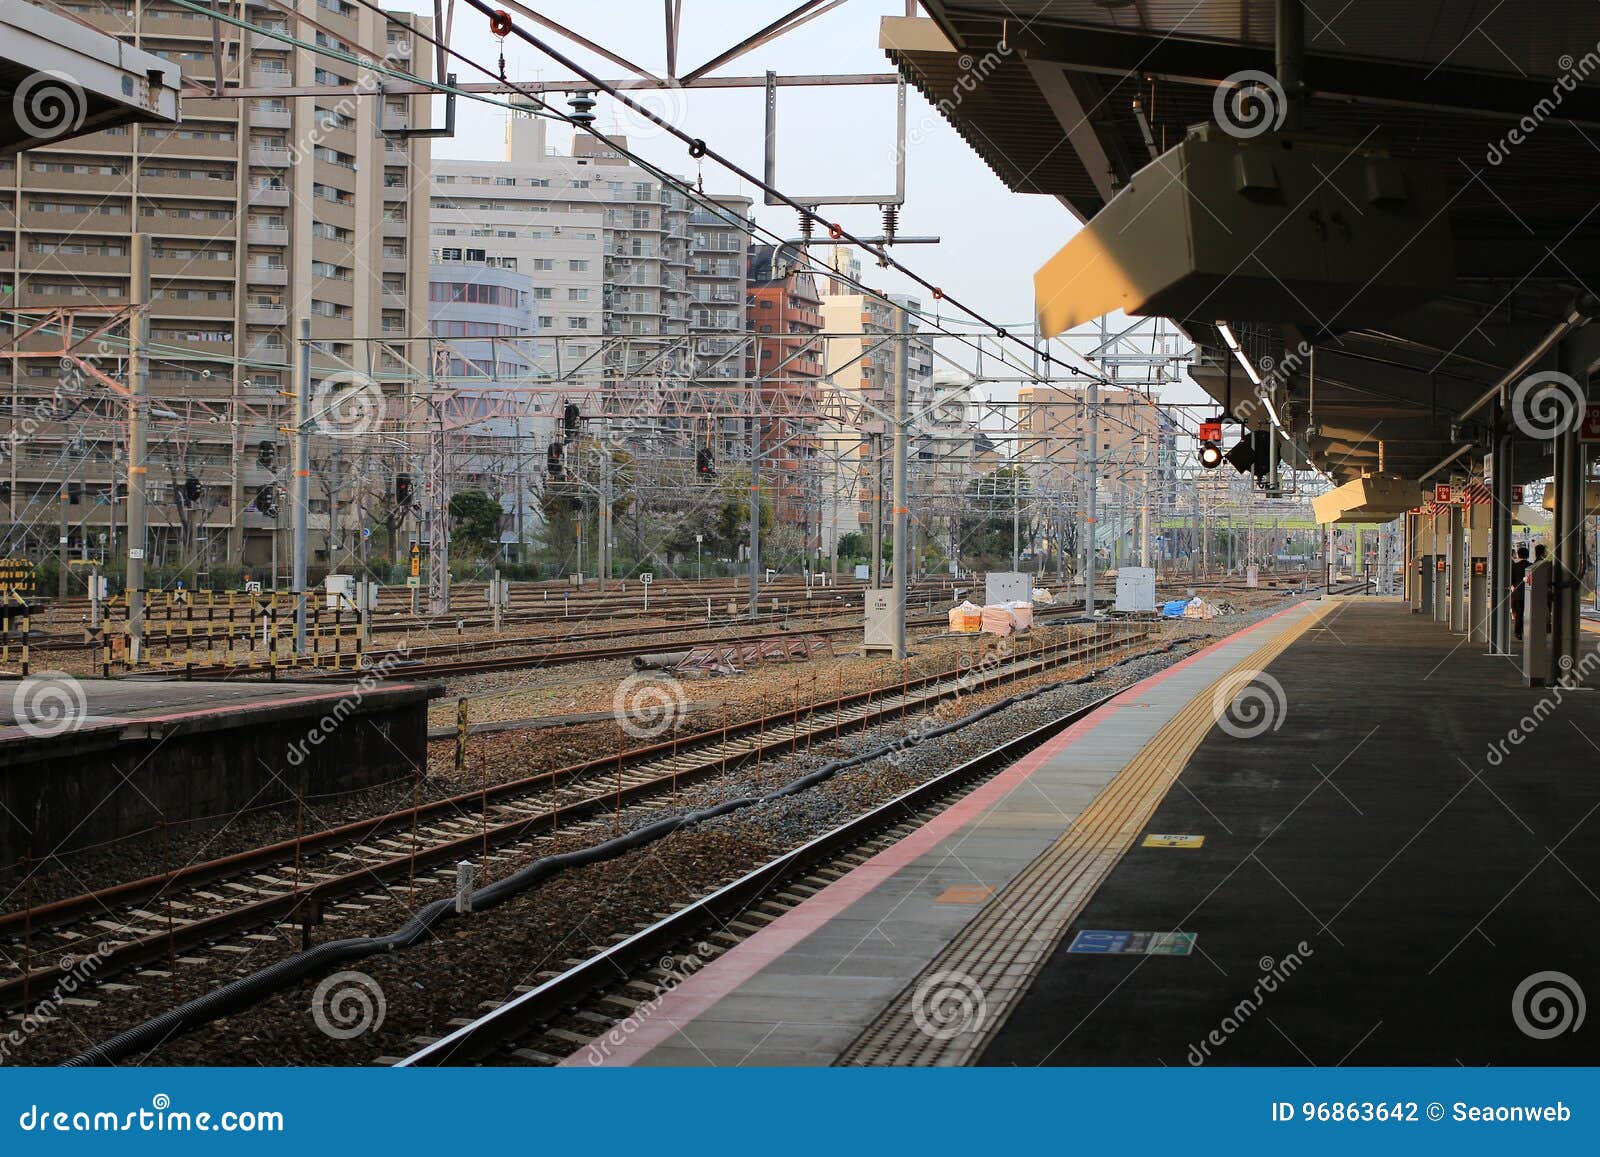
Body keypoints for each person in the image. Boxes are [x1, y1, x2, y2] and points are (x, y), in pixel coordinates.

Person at [1510, 544, 1531, 640]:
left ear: (1518, 555)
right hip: (1530, 594)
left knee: (1519, 613)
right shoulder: (1531, 566)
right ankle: (1529, 631)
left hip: (1517, 593)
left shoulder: (1515, 566)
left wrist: (1515, 586)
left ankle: (1518, 632)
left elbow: (1511, 580)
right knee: (1529, 613)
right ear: (1528, 555)